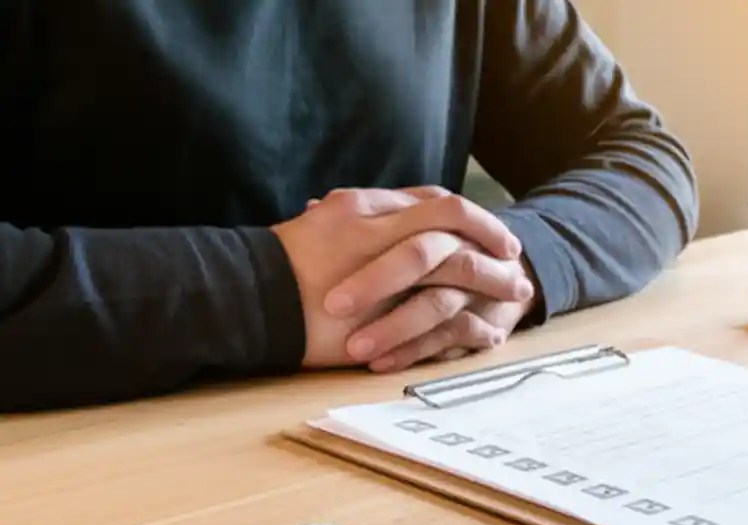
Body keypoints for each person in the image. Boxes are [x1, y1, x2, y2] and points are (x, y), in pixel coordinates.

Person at [0, 0, 697, 412]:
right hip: (78, 467)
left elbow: (641, 156)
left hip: (396, 439)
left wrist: (502, 264)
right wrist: (265, 290)